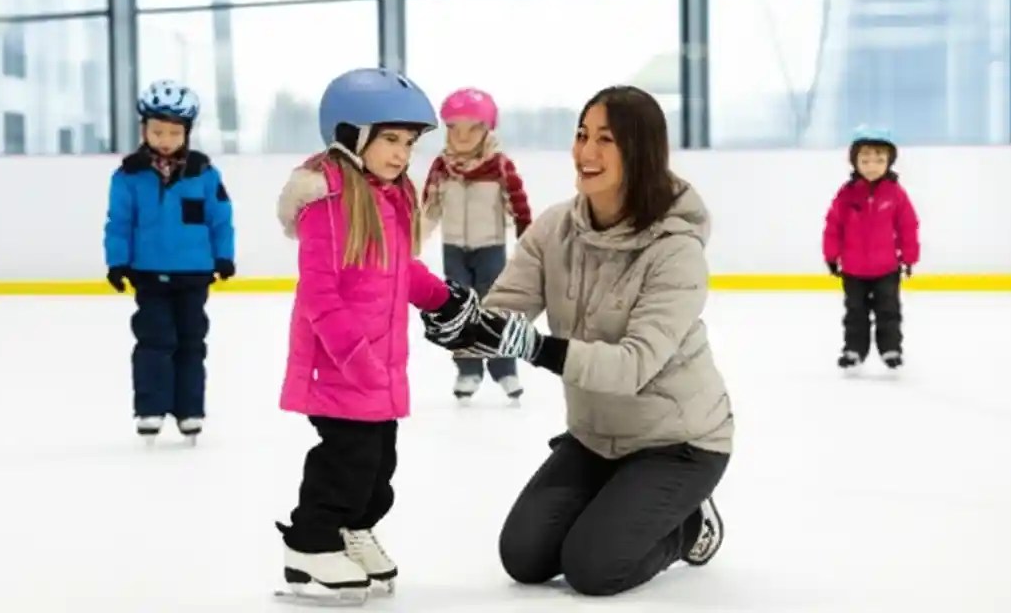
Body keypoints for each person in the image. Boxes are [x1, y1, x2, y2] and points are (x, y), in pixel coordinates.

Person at [423, 85, 734, 597]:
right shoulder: (555, 228)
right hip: (597, 436)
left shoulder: (675, 251)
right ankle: (622, 500)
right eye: (581, 135)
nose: (585, 153)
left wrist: (535, 348)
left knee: (594, 568)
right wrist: (456, 323)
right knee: (524, 557)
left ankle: (688, 525)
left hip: (678, 442)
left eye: (605, 140)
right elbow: (503, 314)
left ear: (640, 150)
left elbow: (634, 366)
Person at [273, 68, 478, 603]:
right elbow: (318, 293)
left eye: (408, 142)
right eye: (389, 139)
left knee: (379, 463)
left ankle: (352, 529)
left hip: (379, 365)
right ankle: (311, 545)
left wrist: (443, 296)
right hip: (341, 365)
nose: (401, 153)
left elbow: (399, 269)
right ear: (348, 134)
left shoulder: (387, 198)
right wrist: (353, 357)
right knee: (345, 462)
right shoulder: (328, 201)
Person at [103, 79, 236, 442]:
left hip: (194, 273)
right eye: (157, 131)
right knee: (154, 341)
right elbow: (119, 222)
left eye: (174, 132)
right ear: (144, 129)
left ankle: (189, 410)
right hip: (148, 272)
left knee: (191, 342)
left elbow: (220, 218)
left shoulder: (204, 174)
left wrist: (224, 256)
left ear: (187, 133)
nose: (165, 139)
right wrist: (117, 262)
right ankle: (150, 407)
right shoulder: (129, 175)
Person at [422, 87, 532, 403]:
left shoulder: (499, 166)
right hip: (454, 248)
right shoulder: (442, 168)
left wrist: (528, 238)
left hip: (490, 248)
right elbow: (429, 208)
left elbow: (518, 204)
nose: (463, 136)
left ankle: (505, 369)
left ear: (487, 130)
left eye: (472, 128)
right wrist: (412, 241)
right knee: (457, 310)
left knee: (495, 307)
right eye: (454, 128)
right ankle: (468, 370)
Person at [823, 127, 920, 371]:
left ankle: (891, 348)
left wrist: (909, 257)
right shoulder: (846, 195)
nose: (871, 166)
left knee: (888, 310)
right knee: (855, 312)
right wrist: (831, 255)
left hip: (887, 268)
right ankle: (854, 349)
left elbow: (908, 226)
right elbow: (833, 225)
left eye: (879, 160)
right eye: (864, 160)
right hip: (853, 269)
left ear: (889, 162)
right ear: (855, 162)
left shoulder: (896, 194)